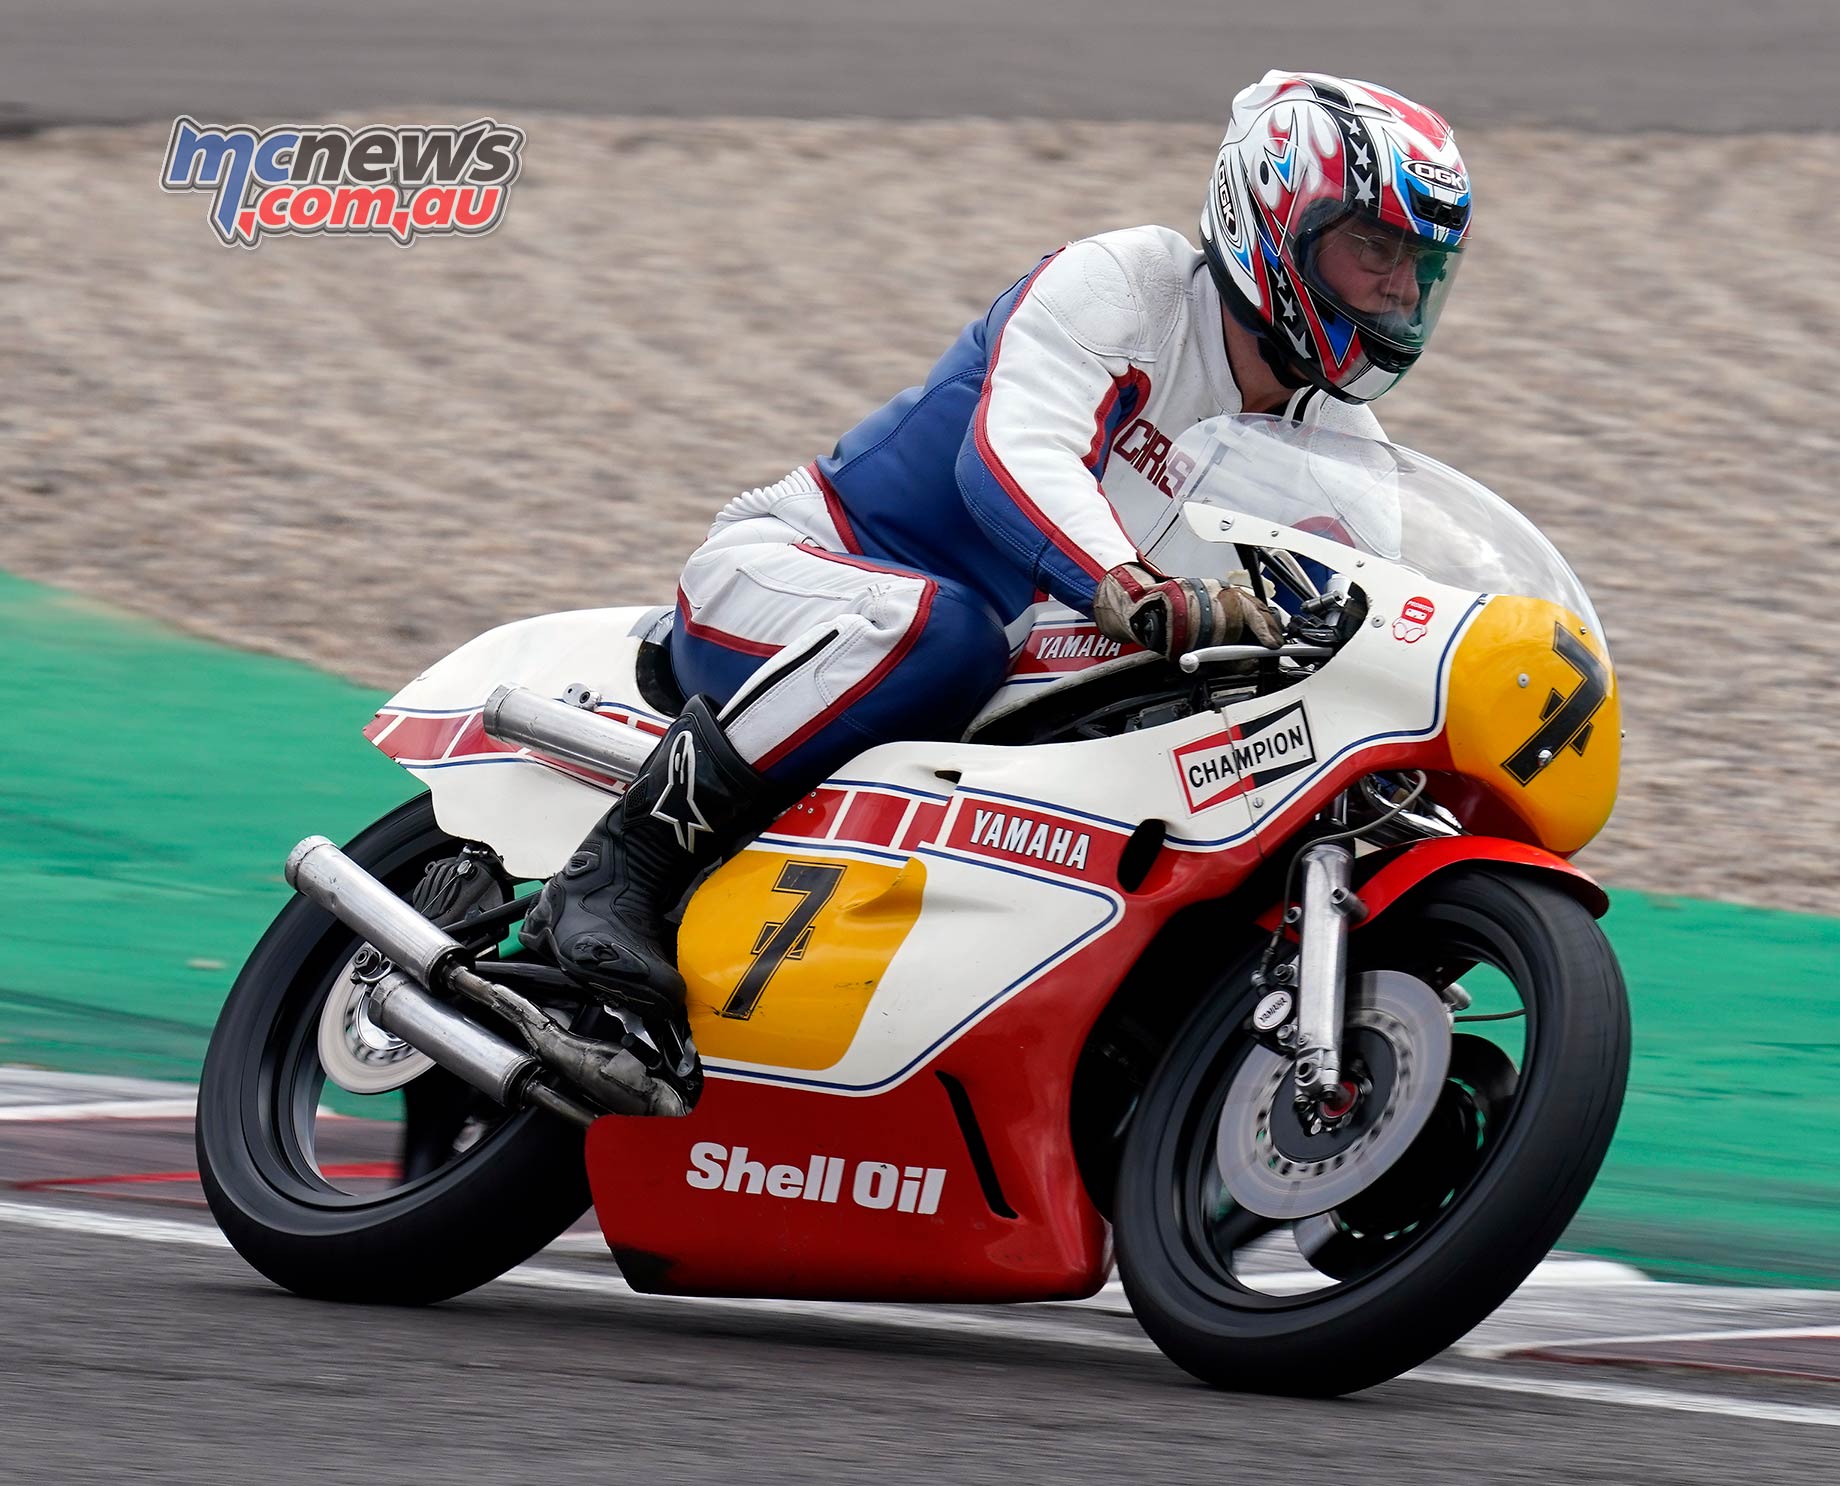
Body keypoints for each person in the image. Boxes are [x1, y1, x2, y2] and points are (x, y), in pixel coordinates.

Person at [521, 69, 1474, 1017]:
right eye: (1372, 244)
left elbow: (1357, 618)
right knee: (944, 633)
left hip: (1000, 685)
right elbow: (1011, 459)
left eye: (1419, 263)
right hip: (796, 577)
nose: (1397, 285)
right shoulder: (1128, 287)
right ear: (1275, 216)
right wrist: (1129, 585)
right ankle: (617, 873)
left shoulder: (1342, 452)